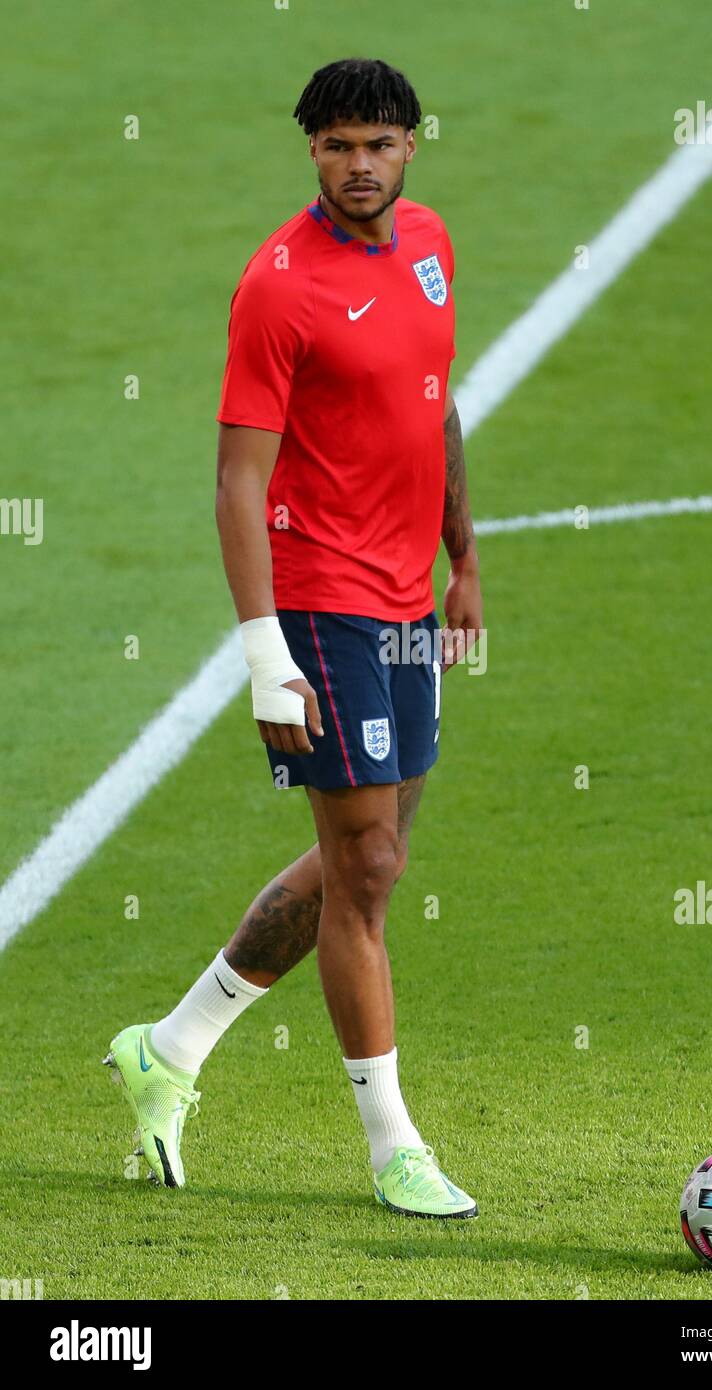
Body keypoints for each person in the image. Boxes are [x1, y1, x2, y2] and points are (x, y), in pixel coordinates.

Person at [104, 57, 484, 1219]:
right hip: (320, 600)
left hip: (408, 594)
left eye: (377, 142)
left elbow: (435, 397)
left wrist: (464, 555)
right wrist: (265, 652)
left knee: (369, 853)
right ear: (309, 151)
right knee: (366, 871)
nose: (358, 164)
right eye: (336, 146)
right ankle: (391, 1146)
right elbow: (235, 477)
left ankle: (167, 1048)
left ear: (411, 142)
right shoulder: (278, 287)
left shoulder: (428, 242)